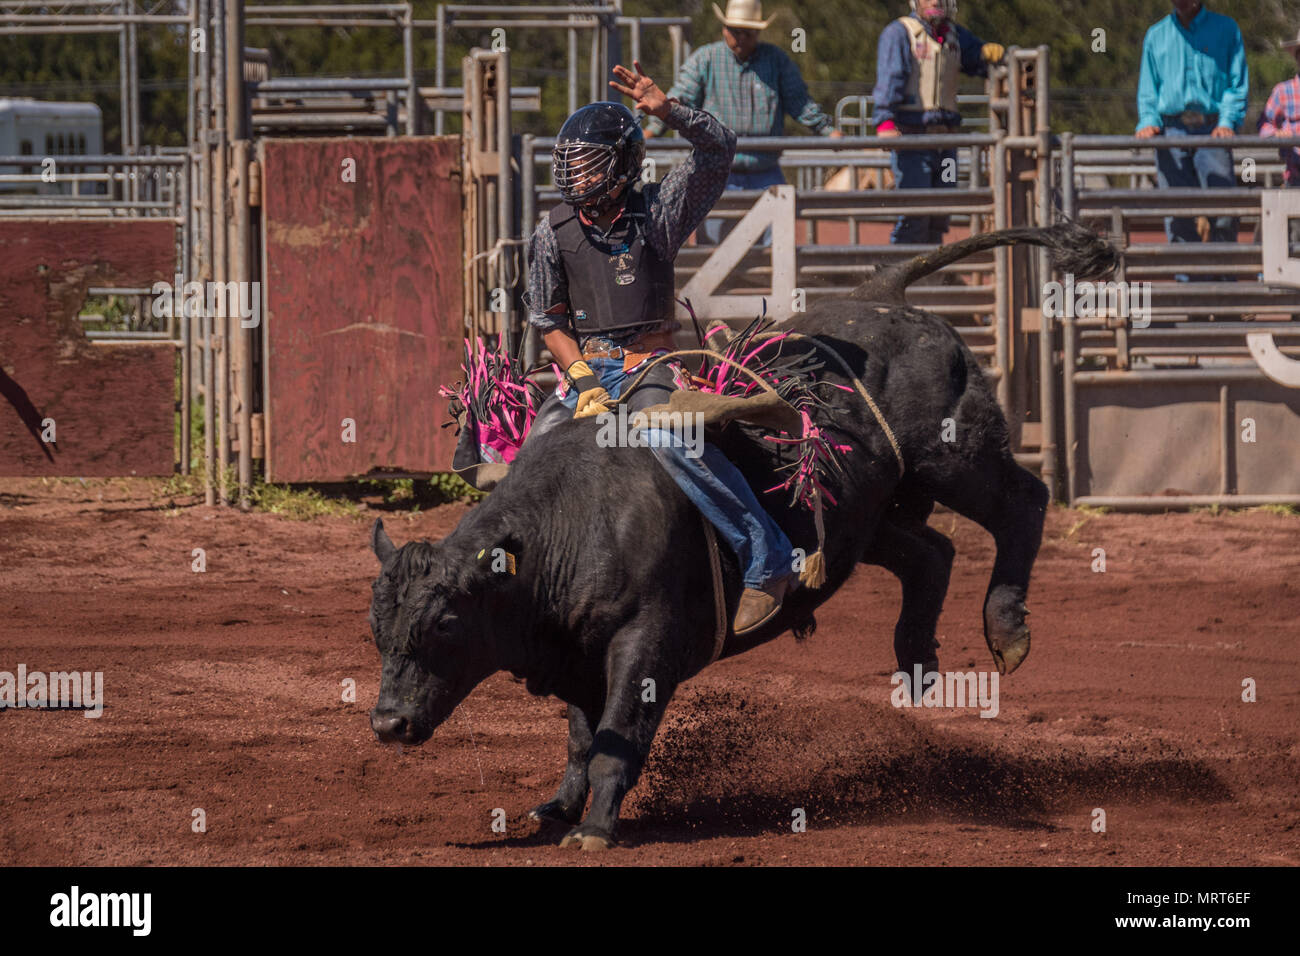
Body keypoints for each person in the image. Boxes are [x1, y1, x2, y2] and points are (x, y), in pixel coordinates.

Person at [524, 61, 798, 634]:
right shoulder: (552, 232)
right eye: (569, 164)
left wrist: (668, 108)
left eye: (587, 164)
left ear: (621, 164)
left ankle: (768, 560)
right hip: (587, 373)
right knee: (536, 451)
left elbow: (720, 148)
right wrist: (582, 380)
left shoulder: (659, 211)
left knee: (661, 434)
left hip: (654, 366)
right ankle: (527, 583)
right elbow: (547, 319)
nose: (574, 177)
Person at [643, 0, 842, 245]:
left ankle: (772, 282)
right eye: (734, 31)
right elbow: (680, 98)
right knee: (713, 244)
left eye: (747, 33)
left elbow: (799, 102)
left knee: (777, 242)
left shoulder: (776, 61)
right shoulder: (706, 59)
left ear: (757, 33)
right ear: (724, 29)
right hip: (717, 171)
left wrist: (828, 132)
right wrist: (653, 130)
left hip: (764, 169)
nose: (740, 38)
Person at [872, 0, 1004, 245]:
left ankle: (931, 276)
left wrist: (990, 55)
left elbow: (977, 57)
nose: (934, 1)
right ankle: (897, 273)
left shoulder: (956, 35)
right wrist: (885, 122)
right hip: (913, 141)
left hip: (946, 143)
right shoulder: (900, 33)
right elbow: (890, 79)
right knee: (916, 212)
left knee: (941, 212)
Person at [1136, 0, 1248, 273]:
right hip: (1171, 130)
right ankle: (1189, 290)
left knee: (1222, 210)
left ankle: (1223, 288)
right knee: (1178, 212)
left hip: (1213, 130)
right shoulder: (1157, 35)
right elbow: (1148, 90)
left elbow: (1237, 84)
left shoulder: (1227, 29)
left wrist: (1227, 121)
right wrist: (1149, 121)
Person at [1259, 27, 1300, 247]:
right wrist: (1277, 134)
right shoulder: (1282, 92)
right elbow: (1264, 125)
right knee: (1294, 239)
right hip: (1295, 175)